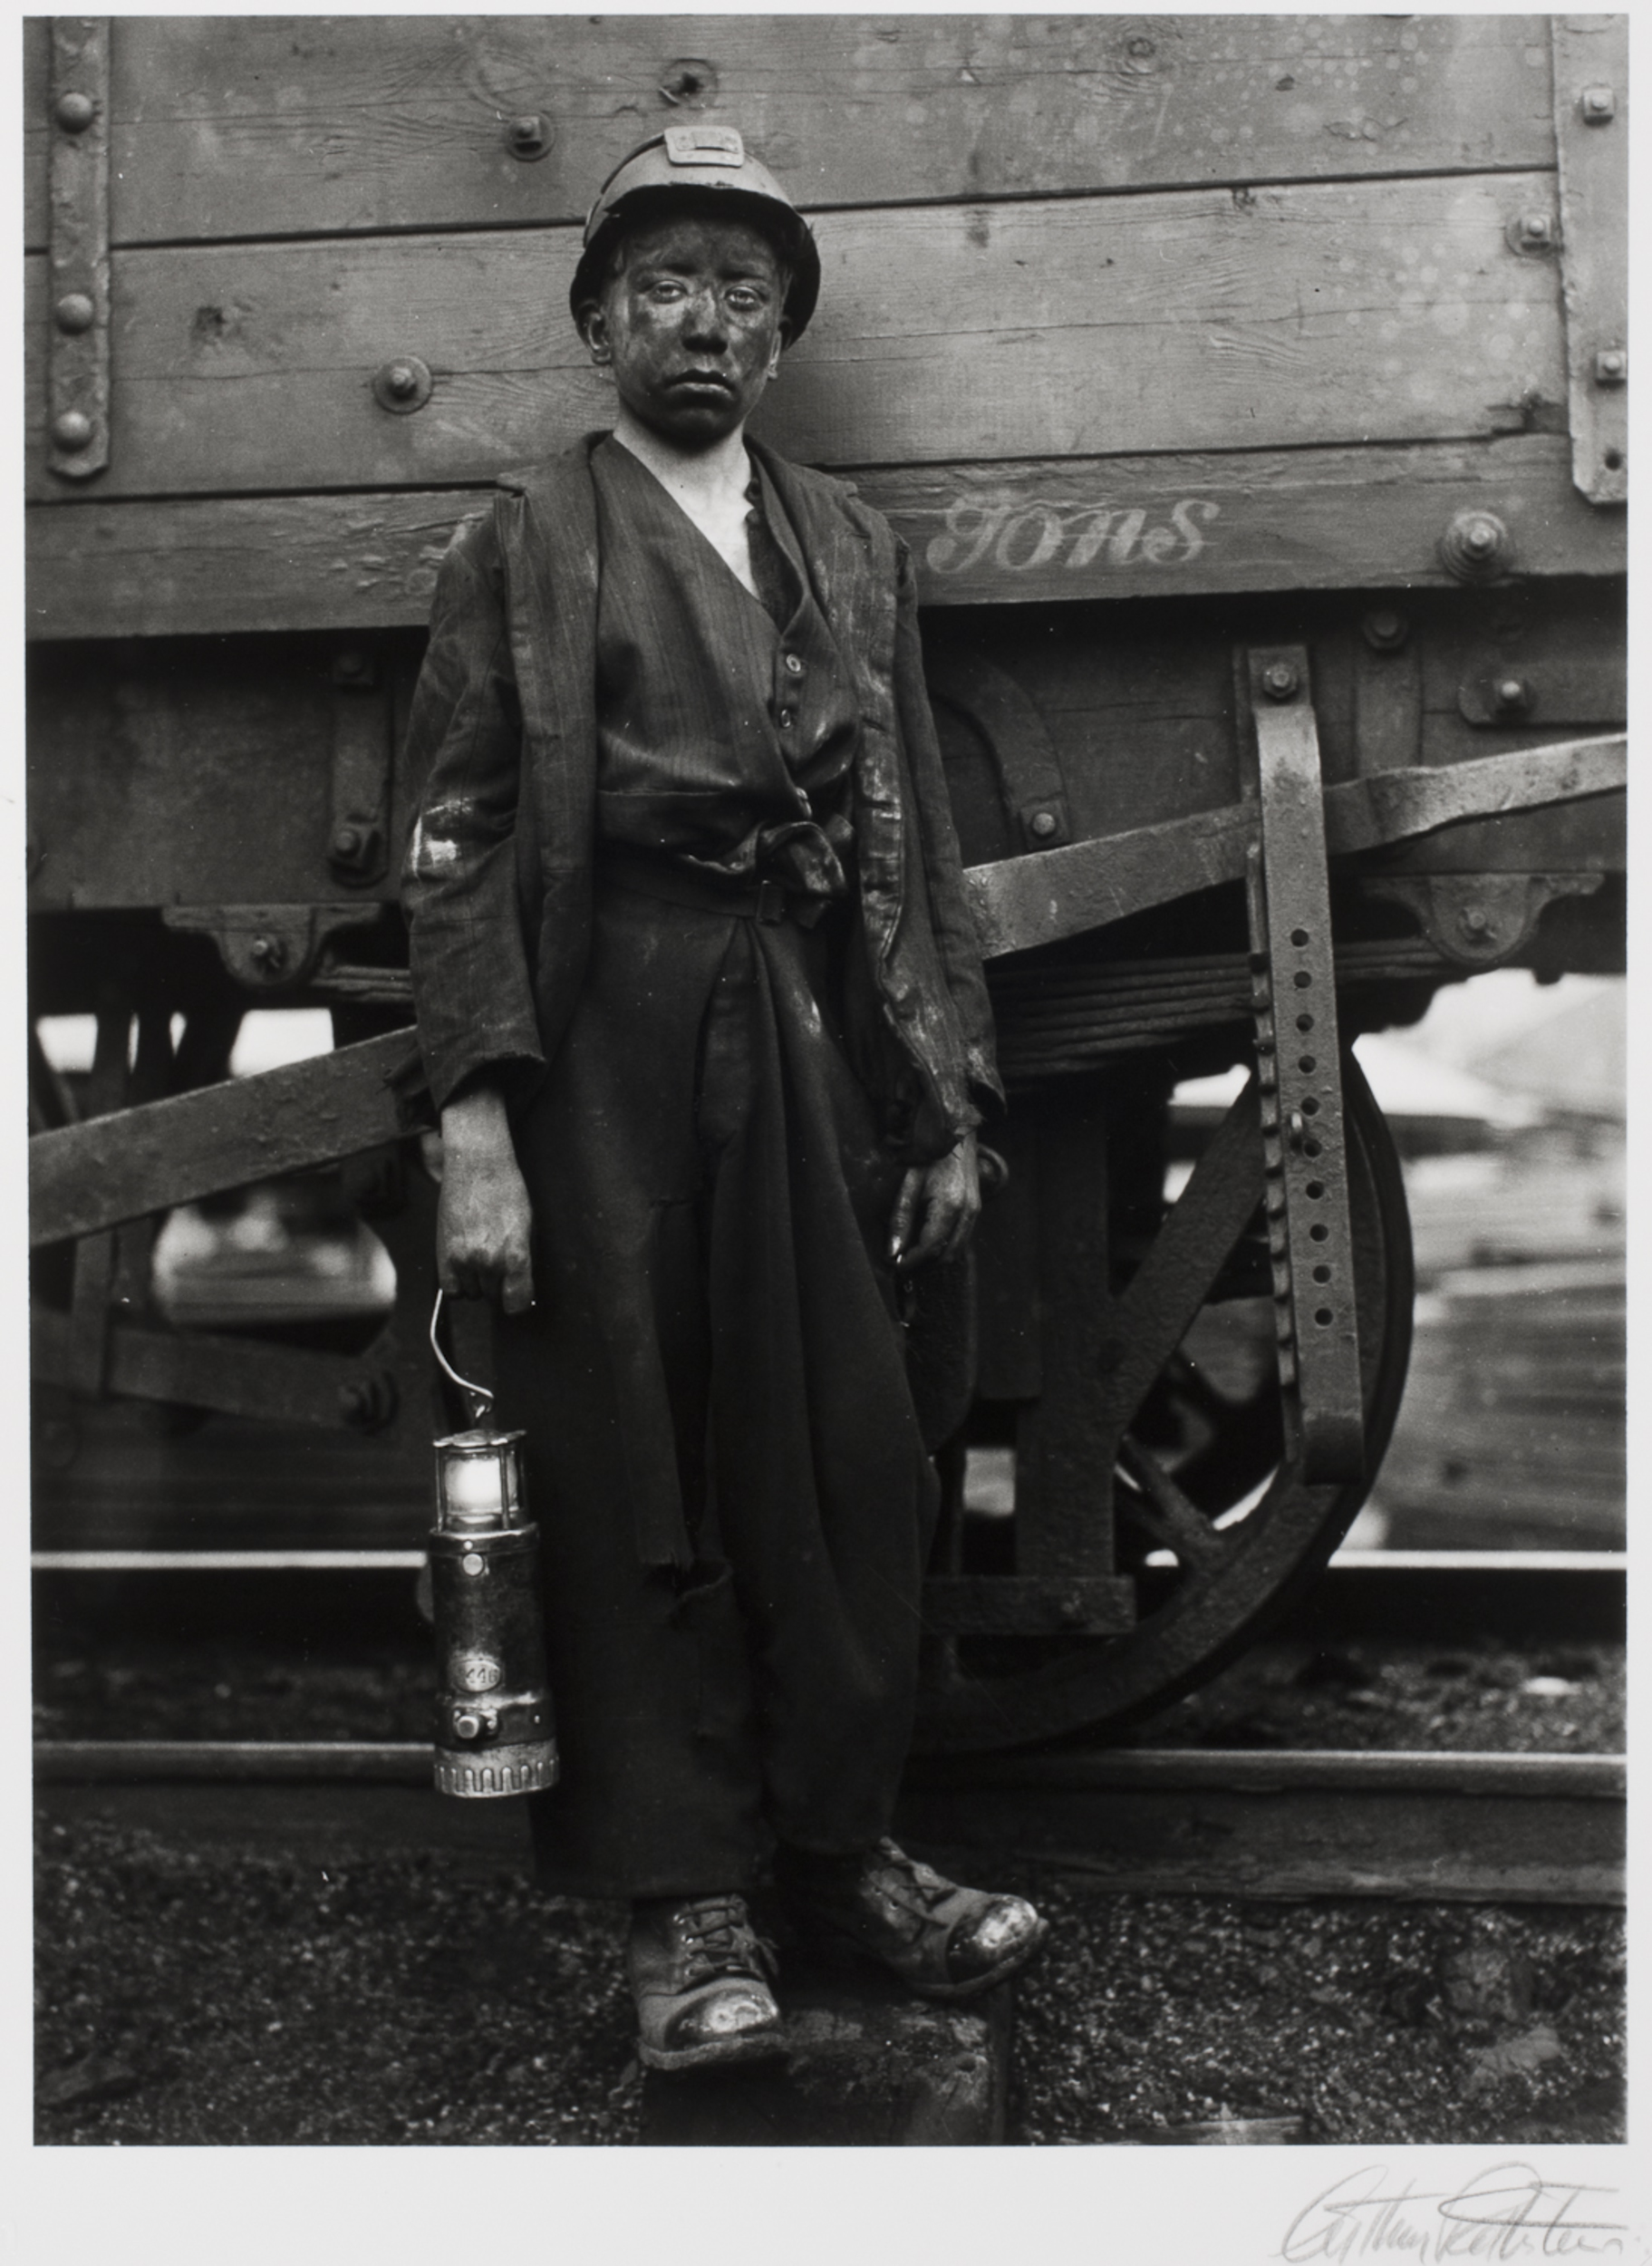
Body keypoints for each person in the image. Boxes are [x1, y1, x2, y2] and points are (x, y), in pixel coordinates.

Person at [401, 125, 1046, 2074]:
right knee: (637, 1460)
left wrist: (944, 1097)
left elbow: (912, 834)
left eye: (743, 293)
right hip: (605, 1032)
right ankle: (684, 1910)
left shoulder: (845, 540)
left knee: (846, 1452)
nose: (704, 322)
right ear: (600, 323)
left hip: (808, 1015)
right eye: (665, 286)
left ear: (783, 337)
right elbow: (457, 838)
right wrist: (478, 1123)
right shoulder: (525, 540)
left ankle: (842, 1858)